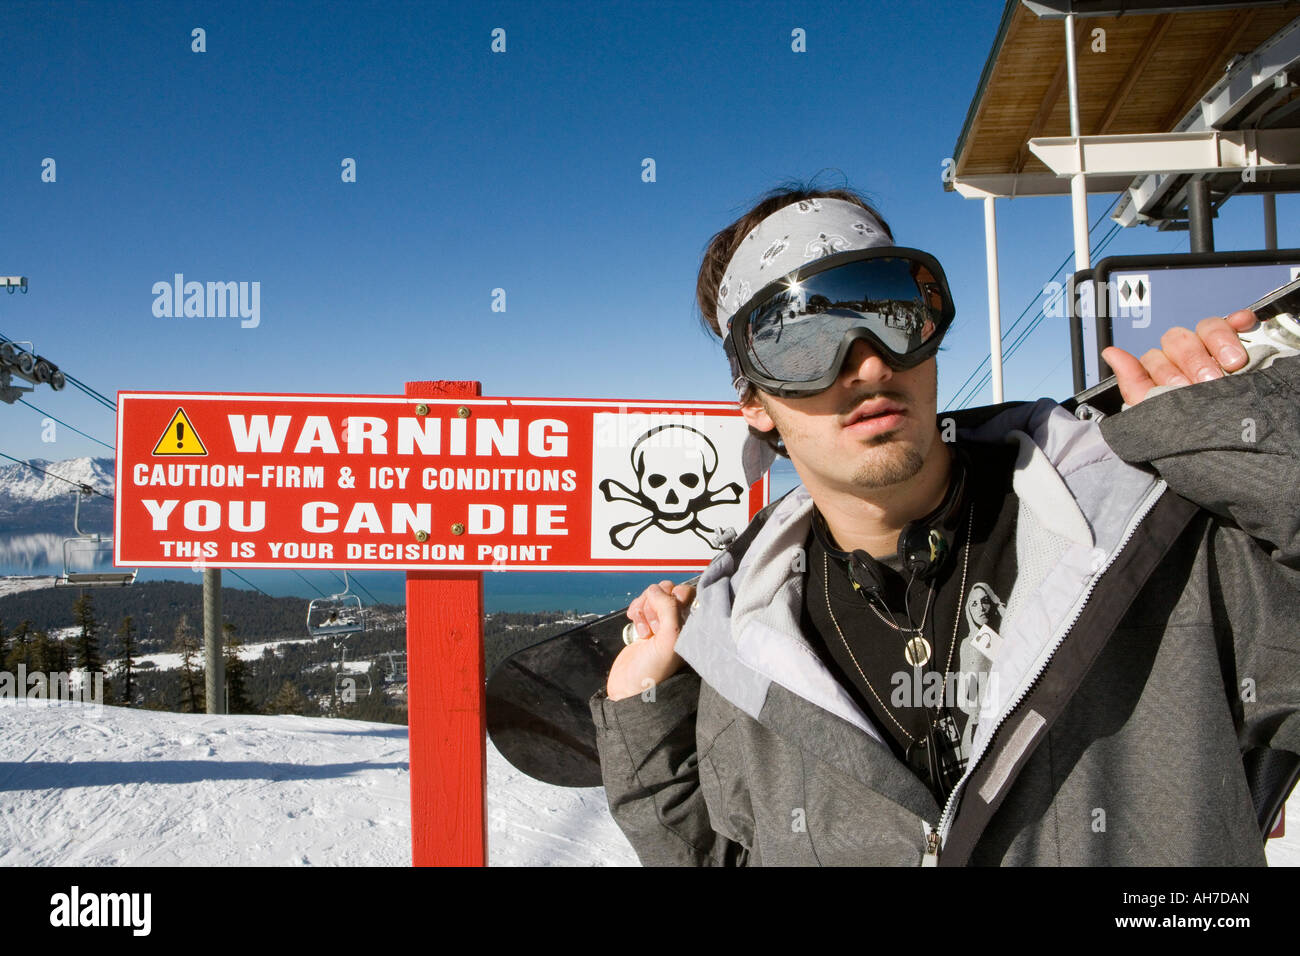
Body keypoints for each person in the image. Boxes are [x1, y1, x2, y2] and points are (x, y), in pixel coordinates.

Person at [589, 184, 1300, 866]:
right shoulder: (744, 653)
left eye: (893, 312)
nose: (867, 363)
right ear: (754, 402)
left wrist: (1257, 445)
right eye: (802, 343)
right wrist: (645, 711)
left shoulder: (1154, 540)